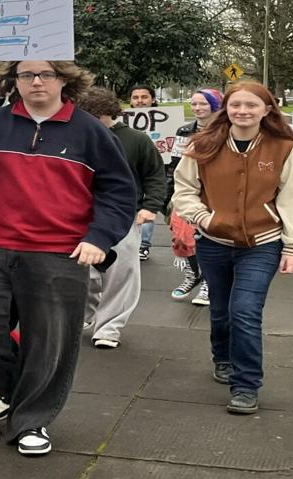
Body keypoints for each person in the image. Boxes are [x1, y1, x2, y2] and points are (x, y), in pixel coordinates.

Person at [0, 59, 136, 456]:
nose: (36, 81)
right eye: (27, 74)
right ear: (14, 81)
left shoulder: (90, 131)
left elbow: (118, 192)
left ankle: (32, 422)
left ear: (65, 80)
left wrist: (99, 238)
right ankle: (14, 387)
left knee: (49, 342)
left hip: (58, 251)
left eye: (46, 74)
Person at [172, 82, 293, 416]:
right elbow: (183, 189)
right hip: (214, 244)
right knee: (220, 311)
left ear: (267, 110)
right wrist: (203, 217)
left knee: (245, 311)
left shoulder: (283, 148)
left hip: (262, 245)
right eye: (236, 105)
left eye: (252, 105)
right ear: (227, 109)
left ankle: (246, 385)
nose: (243, 111)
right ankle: (222, 357)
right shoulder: (205, 144)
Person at [78, 88, 168, 350]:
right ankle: (85, 314)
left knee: (122, 272)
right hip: (82, 215)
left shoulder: (136, 140)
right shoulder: (77, 138)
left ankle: (110, 327)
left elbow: (154, 174)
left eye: (98, 117)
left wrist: (150, 206)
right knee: (84, 272)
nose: (93, 123)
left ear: (111, 114)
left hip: (124, 214)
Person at [167, 88, 221, 306]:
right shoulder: (184, 131)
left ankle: (209, 281)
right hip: (185, 192)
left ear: (215, 106)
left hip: (214, 195)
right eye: (194, 104)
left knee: (208, 239)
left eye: (203, 104)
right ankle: (192, 274)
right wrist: (167, 195)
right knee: (182, 238)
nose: (197, 108)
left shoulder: (225, 131)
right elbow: (173, 164)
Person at [127, 85, 162, 260]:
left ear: (153, 99)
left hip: (158, 167)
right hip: (133, 167)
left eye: (144, 97)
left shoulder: (166, 120)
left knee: (150, 205)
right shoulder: (122, 121)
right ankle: (139, 243)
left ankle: (144, 244)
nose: (140, 101)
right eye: (135, 97)